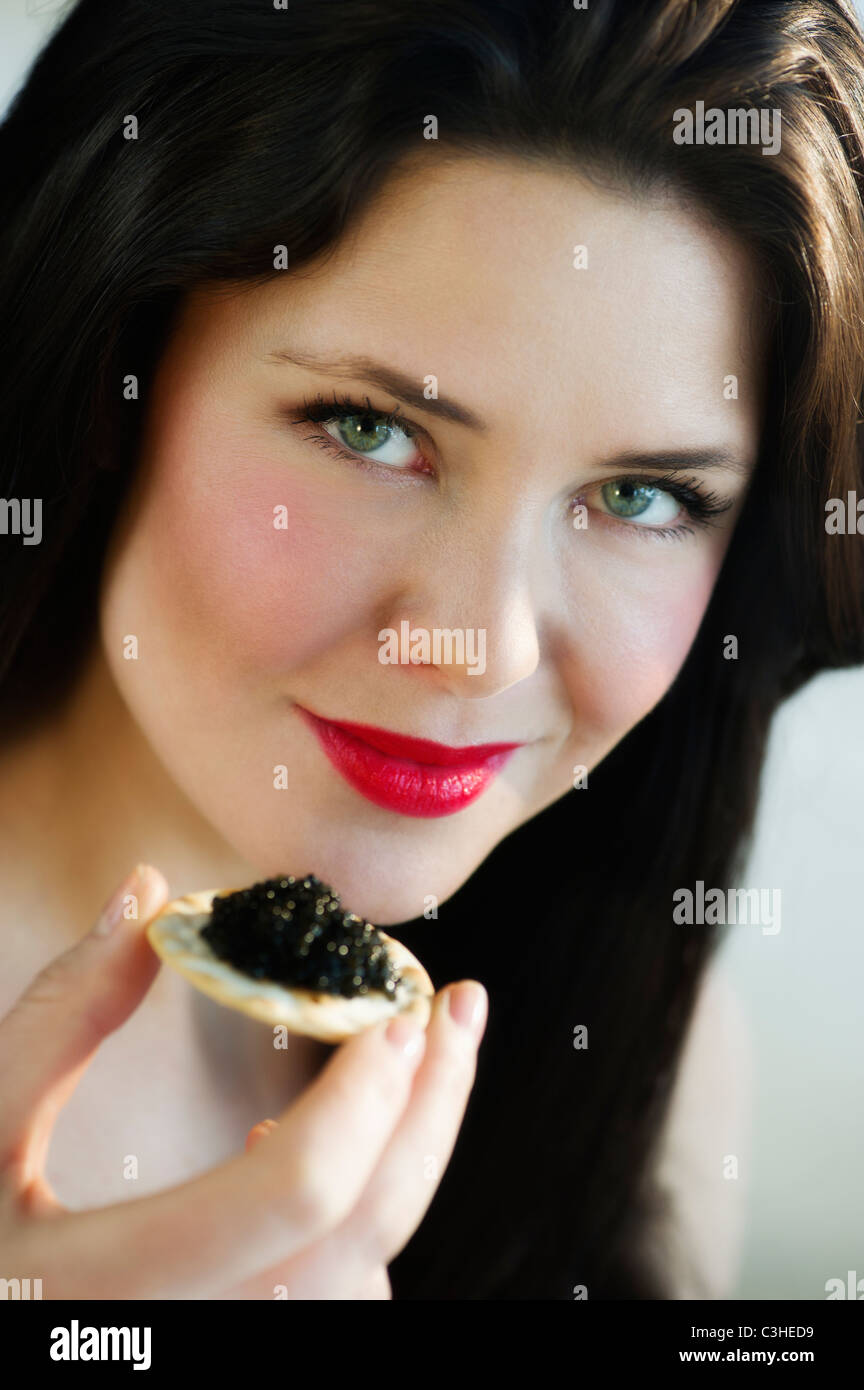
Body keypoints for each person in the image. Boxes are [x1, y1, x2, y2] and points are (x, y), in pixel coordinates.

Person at [0, 0, 862, 1301]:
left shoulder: (649, 1073)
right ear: (120, 364)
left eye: (640, 499)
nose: (483, 645)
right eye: (367, 429)